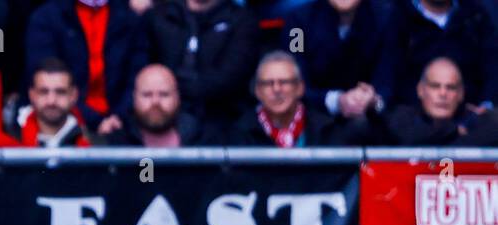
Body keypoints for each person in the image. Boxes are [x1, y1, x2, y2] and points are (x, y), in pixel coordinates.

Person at [24, 0, 148, 133]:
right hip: (64, 122)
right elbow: (43, 79)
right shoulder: (46, 18)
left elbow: (138, 78)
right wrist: (96, 121)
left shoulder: (129, 18)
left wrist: (118, 118)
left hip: (121, 124)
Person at [147, 0, 259, 140]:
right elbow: (142, 71)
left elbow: (231, 77)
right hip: (163, 114)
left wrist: (176, 88)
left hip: (223, 118)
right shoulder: (159, 16)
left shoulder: (242, 19)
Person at [284, 0, 397, 121]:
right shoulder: (297, 24)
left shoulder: (387, 16)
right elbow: (295, 80)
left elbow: (388, 80)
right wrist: (336, 100)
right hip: (313, 116)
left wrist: (374, 100)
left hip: (372, 118)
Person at [228, 51, 362, 146]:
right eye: (268, 83)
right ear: (257, 91)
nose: (277, 89)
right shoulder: (238, 135)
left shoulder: (327, 131)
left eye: (285, 82)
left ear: (300, 88)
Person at [394, 0, 498, 110]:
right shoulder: (398, 14)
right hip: (409, 114)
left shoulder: (476, 15)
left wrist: (486, 106)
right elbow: (389, 71)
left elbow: (492, 67)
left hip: (469, 114)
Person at [381, 57, 498, 144]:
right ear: (420, 90)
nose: (443, 94)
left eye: (451, 87)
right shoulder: (400, 119)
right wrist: (454, 131)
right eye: (435, 86)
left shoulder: (477, 123)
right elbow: (410, 136)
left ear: (461, 94)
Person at [96, 63, 200, 147]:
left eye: (164, 94)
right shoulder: (115, 144)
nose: (155, 102)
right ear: (134, 98)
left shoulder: (200, 141)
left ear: (177, 98)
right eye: (147, 95)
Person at [12, 58, 90, 147]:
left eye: (60, 92)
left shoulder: (96, 145)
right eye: (44, 92)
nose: (51, 101)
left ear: (74, 95)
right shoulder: (11, 142)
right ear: (32, 95)